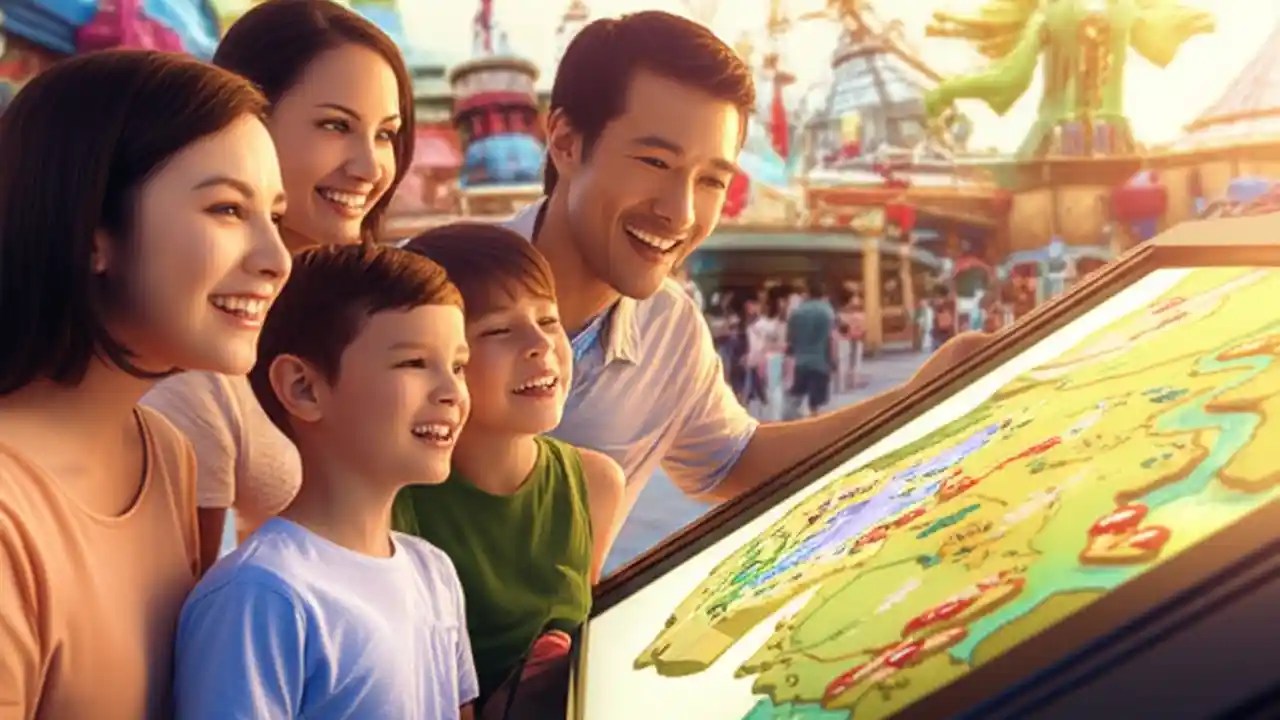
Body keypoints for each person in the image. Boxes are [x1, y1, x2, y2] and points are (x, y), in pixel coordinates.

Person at [508, 11, 989, 520]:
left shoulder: (669, 331)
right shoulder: (434, 291)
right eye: (655, 163)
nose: (681, 213)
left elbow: (736, 459)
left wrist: (922, 397)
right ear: (564, 142)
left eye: (712, 181)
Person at [0, 50, 289, 718]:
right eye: (226, 209)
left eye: (273, 215)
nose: (275, 260)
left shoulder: (164, 452)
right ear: (91, 232)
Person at [141, 0, 417, 571]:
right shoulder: (196, 353)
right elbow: (185, 608)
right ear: (244, 121)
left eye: (387, 135)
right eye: (336, 126)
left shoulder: (380, 313)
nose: (370, 166)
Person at [173, 244, 478, 719]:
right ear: (303, 387)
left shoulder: (433, 572)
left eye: (458, 366)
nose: (452, 392)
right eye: (414, 363)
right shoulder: (261, 595)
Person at [392, 223, 626, 719]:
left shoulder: (595, 484)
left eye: (549, 319)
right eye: (498, 329)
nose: (540, 344)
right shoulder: (395, 502)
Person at [784, 279, 837, 419]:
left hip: (800, 361)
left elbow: (790, 338)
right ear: (823, 294)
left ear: (808, 293)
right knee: (816, 402)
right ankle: (814, 421)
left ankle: (792, 423)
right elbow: (831, 339)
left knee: (796, 395)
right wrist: (833, 360)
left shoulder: (797, 312)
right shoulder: (827, 311)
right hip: (820, 362)